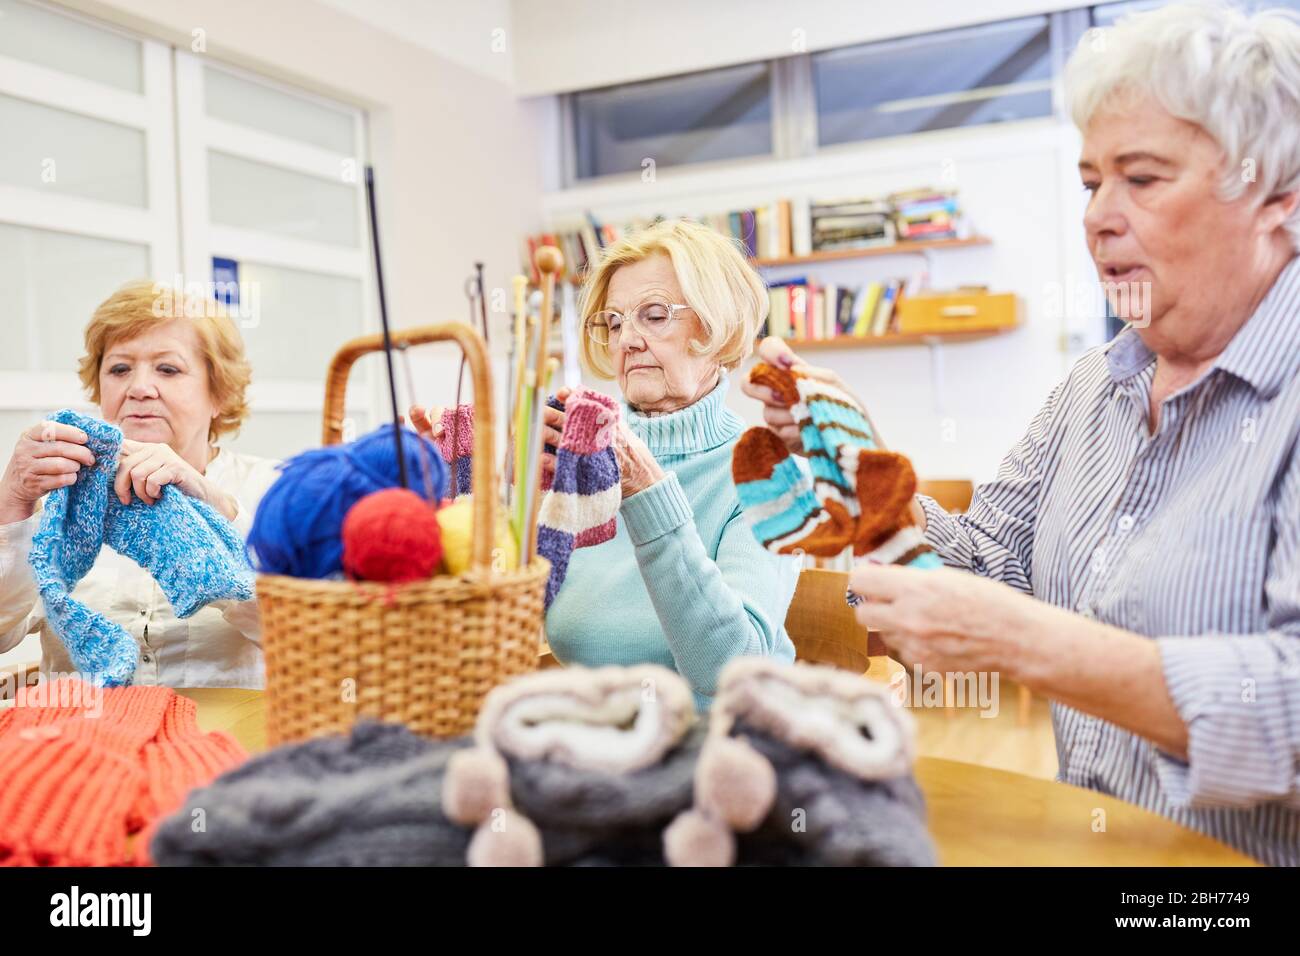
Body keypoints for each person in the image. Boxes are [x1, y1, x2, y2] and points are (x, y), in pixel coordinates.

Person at [745, 2, 1300, 866]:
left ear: (1274, 199)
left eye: (1142, 179)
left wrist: (1023, 641)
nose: (1098, 217)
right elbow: (986, 557)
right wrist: (856, 468)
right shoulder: (1094, 384)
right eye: (1090, 182)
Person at [415, 220, 799, 710]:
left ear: (719, 328)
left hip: (720, 753)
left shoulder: (771, 474)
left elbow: (730, 670)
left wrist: (646, 490)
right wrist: (488, 493)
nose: (626, 341)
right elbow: (486, 629)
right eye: (615, 323)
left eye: (654, 316)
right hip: (592, 743)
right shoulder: (579, 461)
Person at [0, 280, 280, 687]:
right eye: (119, 369)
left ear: (218, 392)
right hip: (85, 741)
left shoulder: (272, 491)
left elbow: (317, 639)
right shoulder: (62, 501)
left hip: (232, 744)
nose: (139, 388)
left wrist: (210, 509)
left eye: (168, 369)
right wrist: (12, 503)